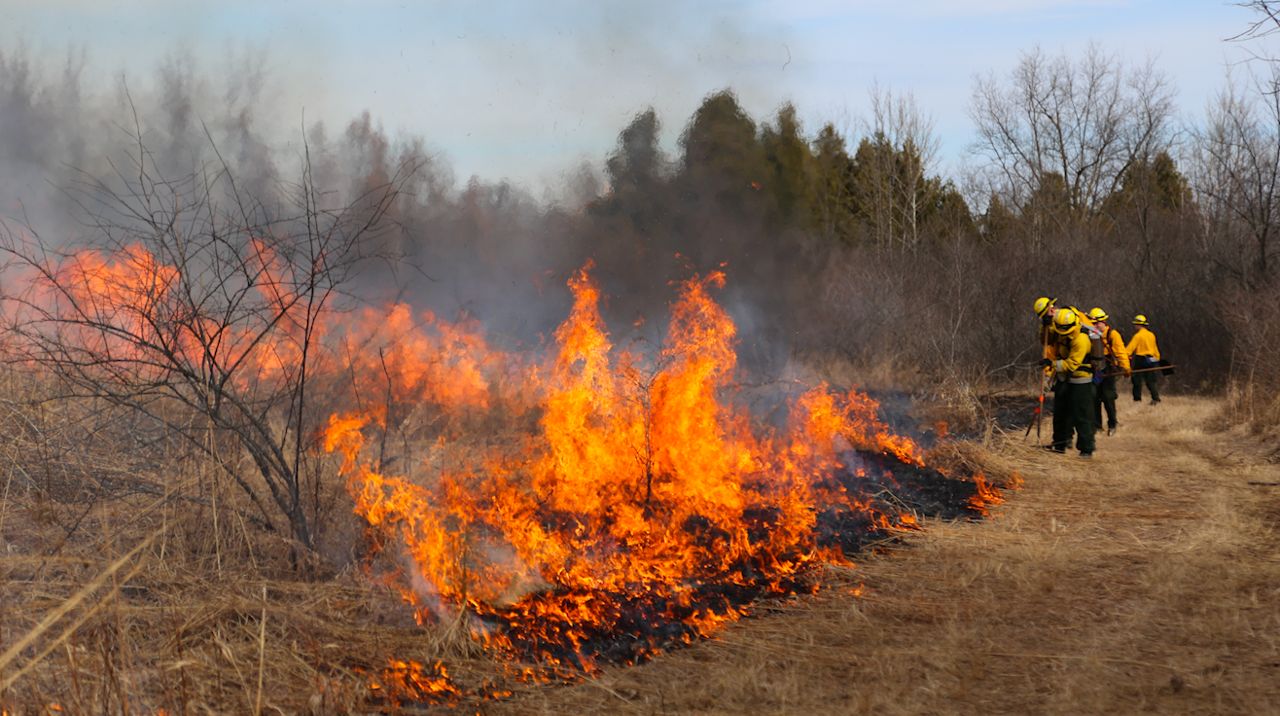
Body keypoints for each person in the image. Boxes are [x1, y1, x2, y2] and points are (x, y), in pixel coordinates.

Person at [1041, 308, 1096, 458]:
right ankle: (1060, 444)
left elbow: (1072, 365)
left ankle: (1086, 449)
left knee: (1081, 415)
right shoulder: (1060, 330)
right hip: (1063, 378)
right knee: (1060, 412)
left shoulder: (1081, 339)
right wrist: (1045, 325)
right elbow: (1047, 339)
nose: (1061, 332)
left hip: (1080, 380)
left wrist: (1052, 364)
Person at [1087, 308, 1130, 435]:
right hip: (1095, 370)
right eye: (1093, 323)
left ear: (1103, 322)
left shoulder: (1112, 334)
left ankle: (1112, 424)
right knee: (1094, 397)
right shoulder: (1090, 336)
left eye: (1097, 323)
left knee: (1108, 397)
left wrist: (1126, 368)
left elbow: (1121, 352)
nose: (1095, 326)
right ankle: (1097, 426)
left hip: (1108, 370)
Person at [1126, 314, 1161, 403]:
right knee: (1151, 380)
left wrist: (1124, 356)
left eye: (1135, 324)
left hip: (1140, 359)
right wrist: (1157, 358)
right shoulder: (1151, 335)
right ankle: (1155, 398)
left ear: (1138, 325)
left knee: (1136, 380)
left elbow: (1130, 349)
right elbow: (1155, 349)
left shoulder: (1138, 336)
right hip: (1151, 359)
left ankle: (1137, 399)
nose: (1134, 326)